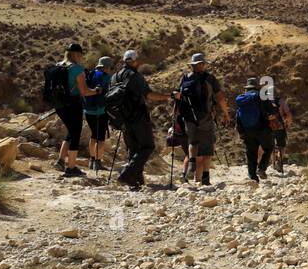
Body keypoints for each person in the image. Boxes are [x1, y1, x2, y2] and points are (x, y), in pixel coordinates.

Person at [109, 49, 173, 189]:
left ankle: (136, 181)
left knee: (133, 148)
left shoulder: (114, 77)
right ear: (135, 61)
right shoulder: (135, 76)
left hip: (122, 118)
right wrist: (169, 96)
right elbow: (149, 95)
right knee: (147, 146)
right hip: (137, 116)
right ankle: (126, 174)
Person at [172, 53, 229, 186]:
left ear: (192, 65)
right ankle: (205, 178)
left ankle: (192, 163)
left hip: (188, 117)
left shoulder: (185, 78)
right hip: (205, 117)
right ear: (202, 64)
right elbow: (220, 97)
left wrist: (175, 116)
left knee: (193, 142)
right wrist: (226, 114)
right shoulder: (209, 78)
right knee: (207, 149)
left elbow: (178, 98)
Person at [55, 43, 100, 178]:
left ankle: (60, 160)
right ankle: (71, 168)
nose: (81, 57)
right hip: (73, 105)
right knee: (75, 134)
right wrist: (97, 91)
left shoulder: (58, 65)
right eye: (80, 54)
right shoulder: (77, 69)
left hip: (59, 105)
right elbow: (84, 91)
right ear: (75, 54)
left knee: (71, 130)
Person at [233, 77, 279, 184]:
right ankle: (262, 168)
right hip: (262, 129)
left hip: (247, 130)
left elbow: (238, 115)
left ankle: (252, 177)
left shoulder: (242, 99)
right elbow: (272, 111)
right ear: (257, 87)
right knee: (268, 148)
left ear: (247, 88)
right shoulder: (261, 96)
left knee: (251, 153)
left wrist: (241, 132)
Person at [84, 56, 113, 172]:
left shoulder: (90, 74)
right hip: (100, 111)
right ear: (107, 67)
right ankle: (97, 162)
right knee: (100, 137)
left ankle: (91, 160)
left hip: (88, 111)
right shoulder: (107, 78)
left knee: (93, 135)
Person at [267, 82, 293, 174]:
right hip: (280, 127)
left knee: (271, 146)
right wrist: (288, 124)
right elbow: (288, 114)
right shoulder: (281, 101)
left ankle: (273, 163)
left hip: (268, 128)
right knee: (281, 146)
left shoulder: (264, 103)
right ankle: (280, 162)